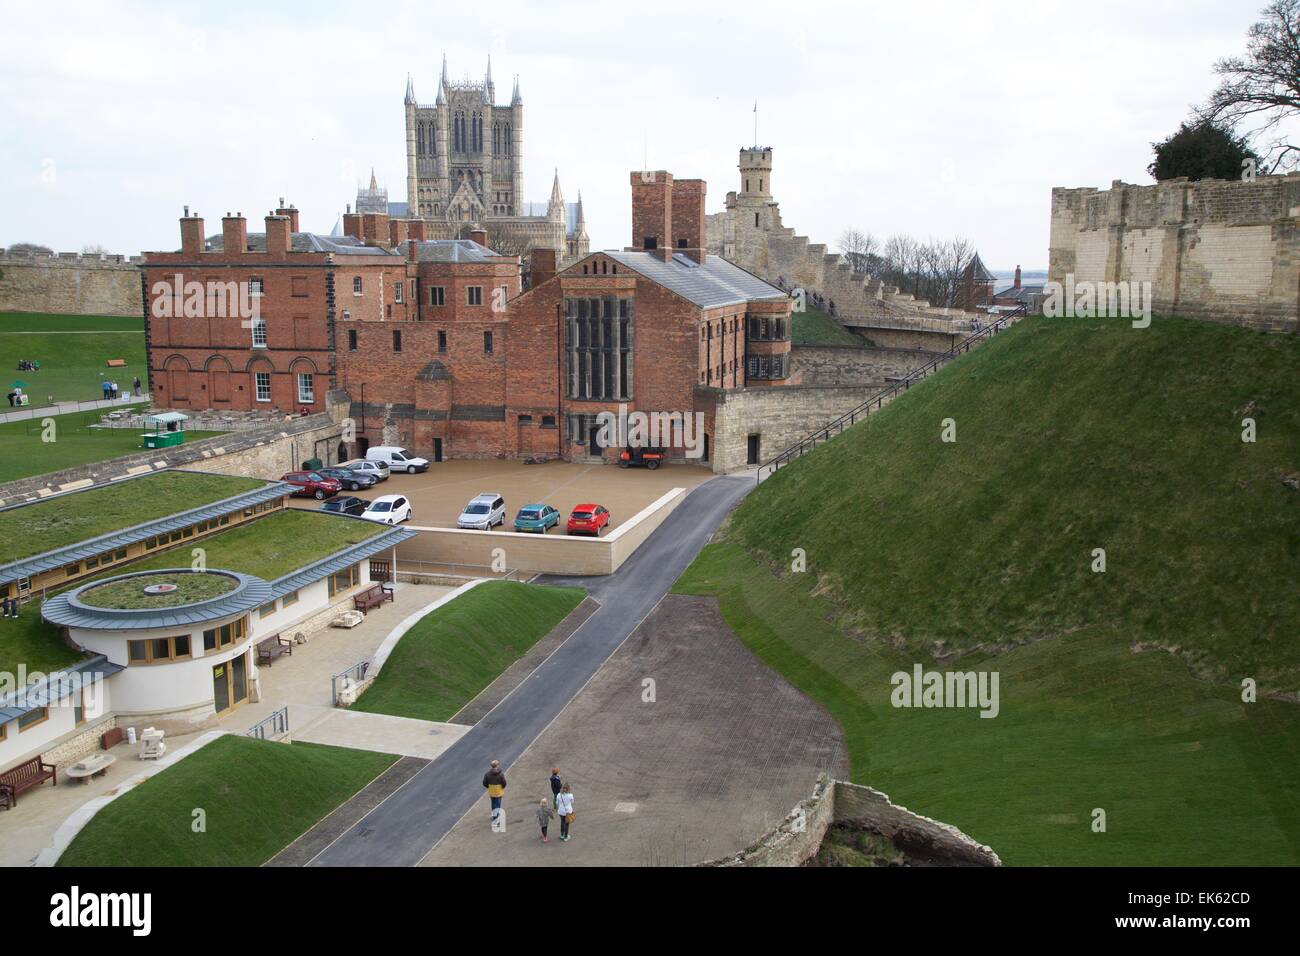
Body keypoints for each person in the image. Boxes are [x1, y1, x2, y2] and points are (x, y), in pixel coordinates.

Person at [482, 759, 507, 828]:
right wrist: (502, 787)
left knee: (493, 804)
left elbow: (484, 783)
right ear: (497, 765)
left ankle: (494, 816)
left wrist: (489, 787)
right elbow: (504, 783)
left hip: (492, 791)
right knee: (498, 805)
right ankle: (495, 819)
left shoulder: (487, 774)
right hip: (498, 791)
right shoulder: (501, 774)